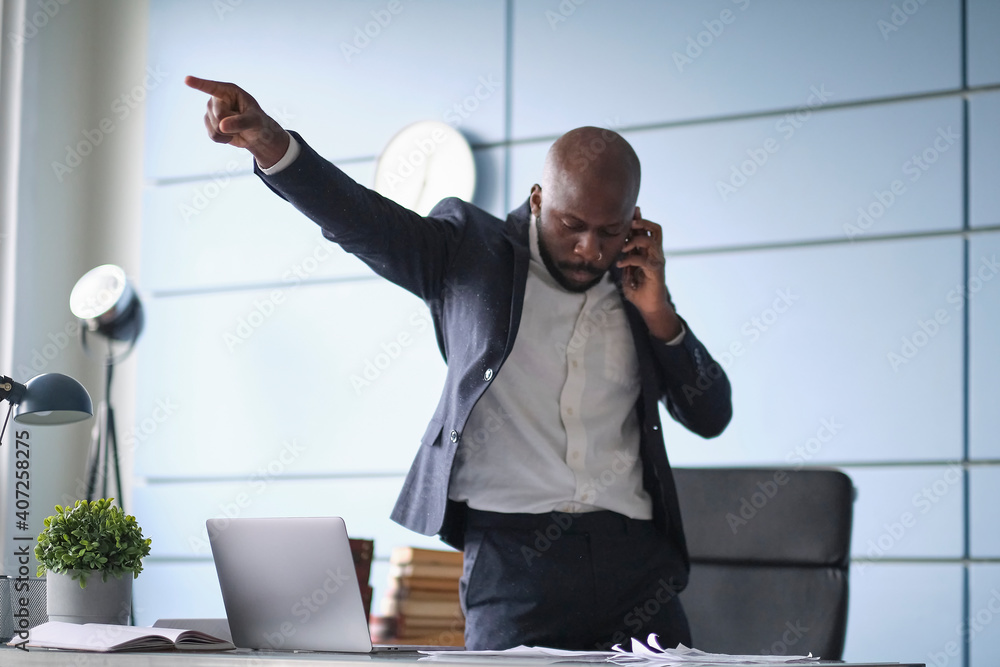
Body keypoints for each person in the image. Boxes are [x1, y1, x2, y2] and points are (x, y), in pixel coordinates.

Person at [186, 75, 732, 651]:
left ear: (634, 220)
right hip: (517, 565)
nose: (590, 250)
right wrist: (273, 145)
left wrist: (660, 312)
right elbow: (361, 220)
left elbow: (710, 415)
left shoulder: (636, 286)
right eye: (572, 226)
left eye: (610, 231)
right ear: (539, 199)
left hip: (636, 565)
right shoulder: (469, 251)